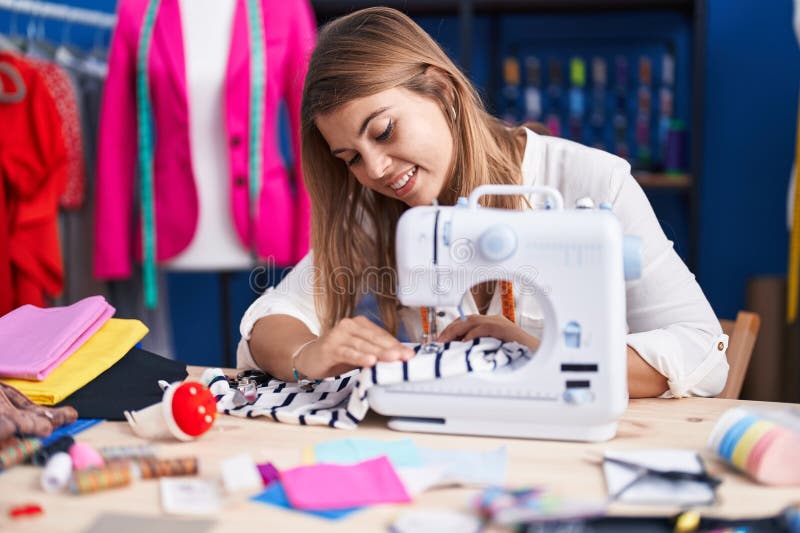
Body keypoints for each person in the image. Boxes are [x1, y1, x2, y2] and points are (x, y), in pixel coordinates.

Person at [238, 7, 729, 399]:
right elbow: (271, 318)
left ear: (444, 91)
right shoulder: (378, 210)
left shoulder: (590, 183)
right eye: (350, 158)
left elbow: (700, 347)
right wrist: (309, 353)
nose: (376, 170)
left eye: (384, 131)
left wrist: (541, 353)